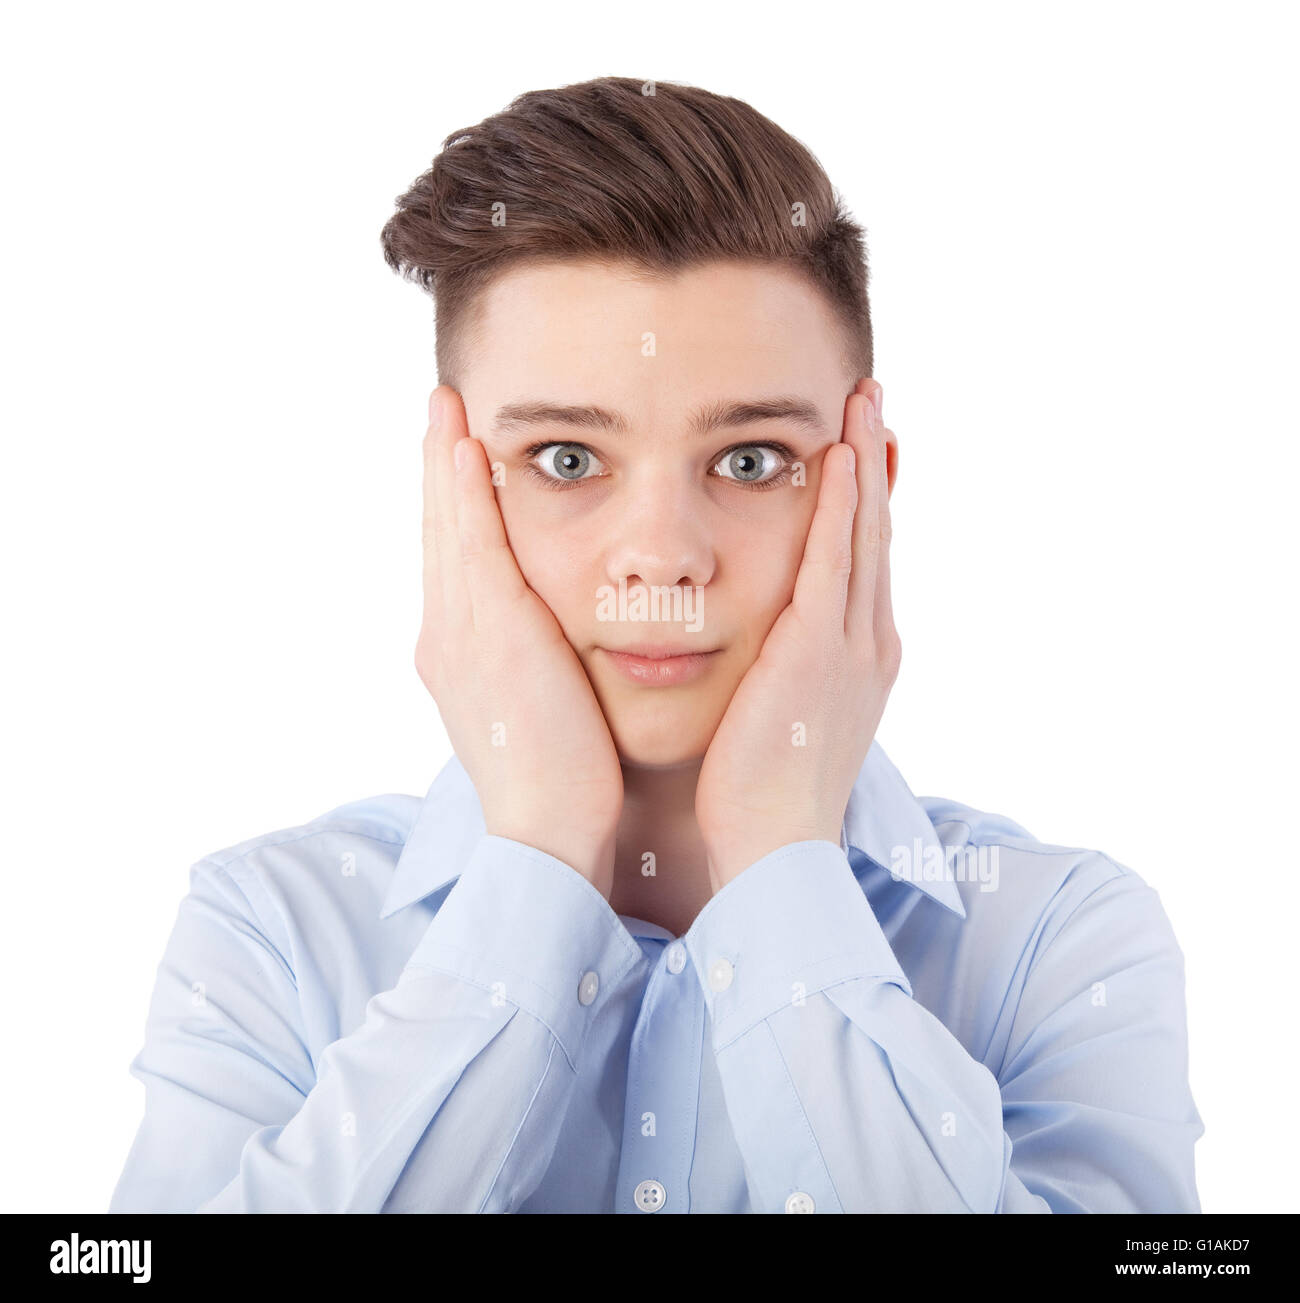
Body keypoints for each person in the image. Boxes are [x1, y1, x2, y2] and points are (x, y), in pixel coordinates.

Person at [109, 75, 1202, 1213]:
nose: (662, 556)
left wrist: (781, 857)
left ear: (866, 496)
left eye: (748, 459)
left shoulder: (1060, 943)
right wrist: (535, 856)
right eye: (567, 460)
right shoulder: (273, 931)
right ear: (452, 500)